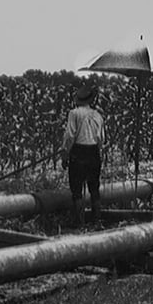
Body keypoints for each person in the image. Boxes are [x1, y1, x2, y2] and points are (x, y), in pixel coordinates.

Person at [60, 82, 105, 225]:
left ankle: (80, 222)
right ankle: (96, 221)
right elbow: (100, 139)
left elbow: (70, 136)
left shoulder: (74, 113)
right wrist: (97, 152)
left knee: (77, 189)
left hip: (79, 152)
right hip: (93, 152)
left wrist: (65, 154)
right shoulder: (98, 115)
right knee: (94, 188)